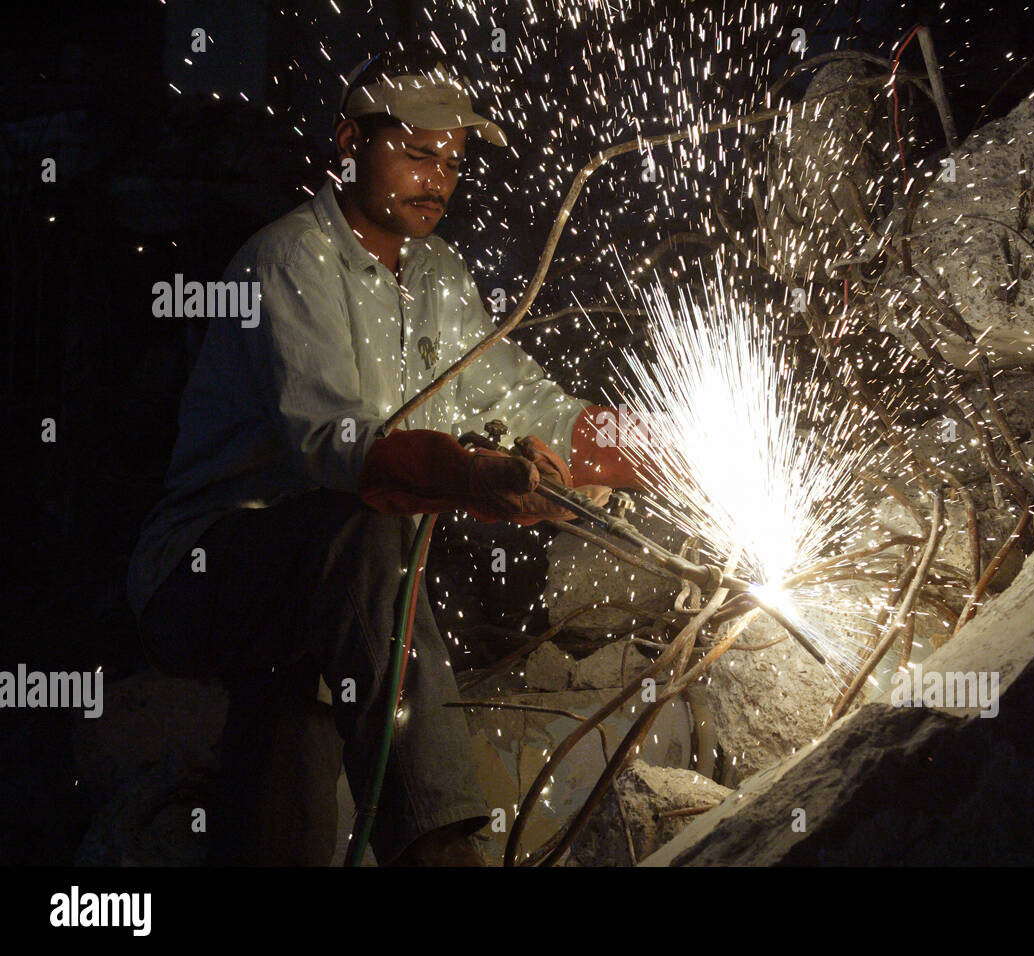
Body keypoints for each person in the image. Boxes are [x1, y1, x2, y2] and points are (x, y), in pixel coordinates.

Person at [126, 42, 648, 866]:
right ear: (348, 145)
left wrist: (642, 446)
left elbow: (513, 398)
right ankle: (438, 845)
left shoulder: (439, 273)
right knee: (363, 536)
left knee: (290, 704)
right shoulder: (290, 260)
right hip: (205, 571)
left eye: (451, 161)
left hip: (319, 597)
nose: (436, 178)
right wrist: (473, 477)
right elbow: (333, 445)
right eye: (413, 153)